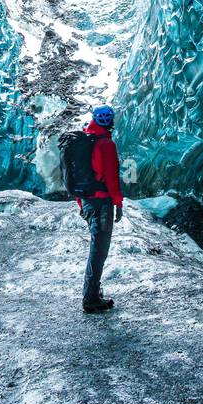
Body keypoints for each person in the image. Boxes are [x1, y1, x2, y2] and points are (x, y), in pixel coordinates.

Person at [79, 105, 122, 313]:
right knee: (99, 251)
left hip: (87, 202)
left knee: (96, 248)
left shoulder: (85, 140)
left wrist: (81, 203)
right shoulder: (105, 144)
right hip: (102, 203)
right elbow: (112, 178)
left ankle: (93, 292)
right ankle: (91, 297)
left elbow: (76, 174)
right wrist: (118, 203)